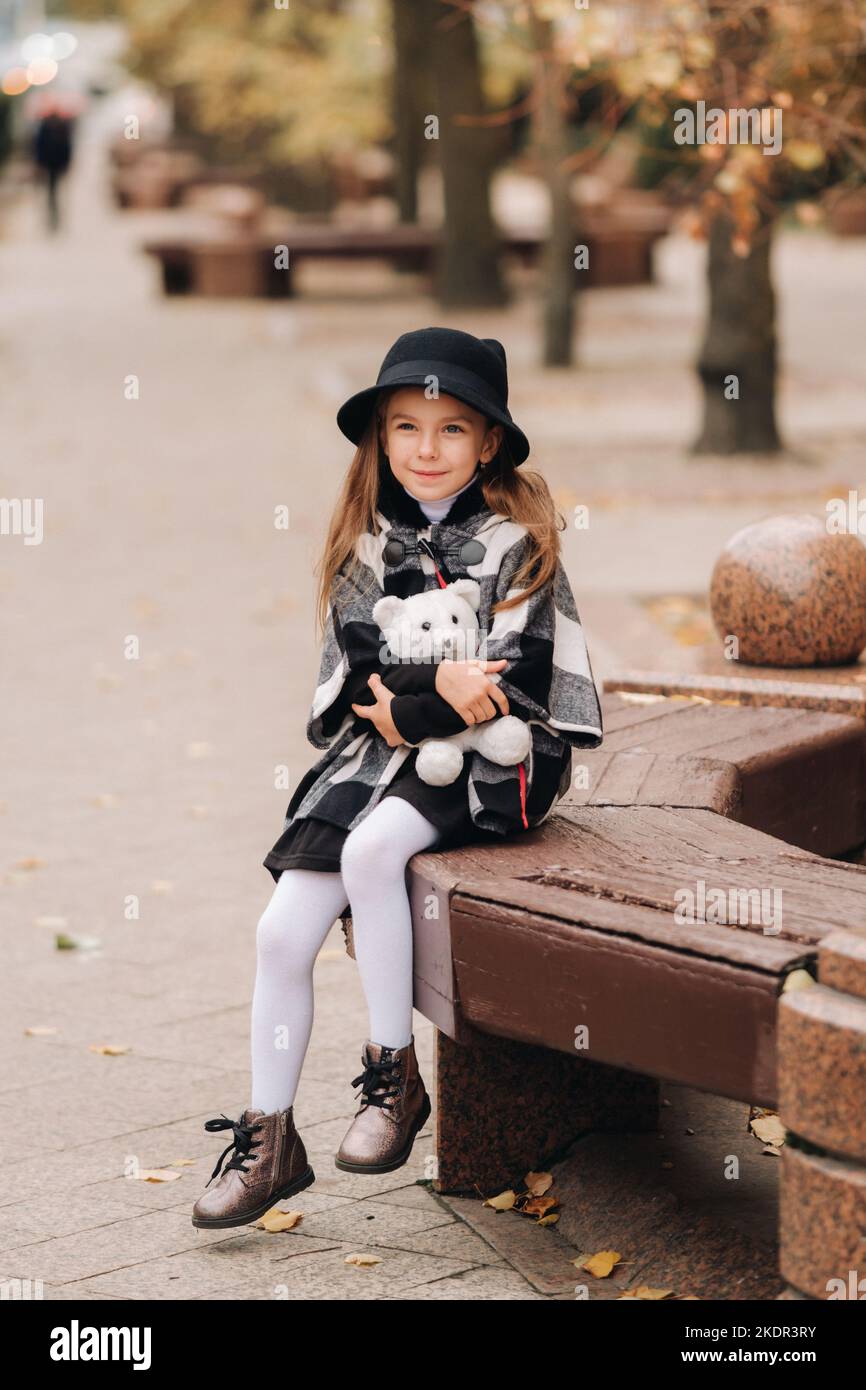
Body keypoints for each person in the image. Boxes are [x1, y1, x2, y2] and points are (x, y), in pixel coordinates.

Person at [191, 326, 604, 1229]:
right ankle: (270, 1141)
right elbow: (357, 686)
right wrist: (418, 700)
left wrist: (411, 704)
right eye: (406, 427)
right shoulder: (363, 546)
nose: (426, 448)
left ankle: (393, 1077)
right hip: (376, 757)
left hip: (500, 760)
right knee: (279, 932)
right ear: (380, 436)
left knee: (378, 852)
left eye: (452, 429)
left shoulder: (516, 544)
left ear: (489, 441)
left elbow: (502, 688)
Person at [32, 107, 74, 232]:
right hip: (53, 163)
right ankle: (53, 217)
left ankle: (54, 217)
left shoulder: (49, 126)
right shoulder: (58, 127)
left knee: (52, 191)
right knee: (53, 191)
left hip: (52, 163)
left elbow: (39, 146)